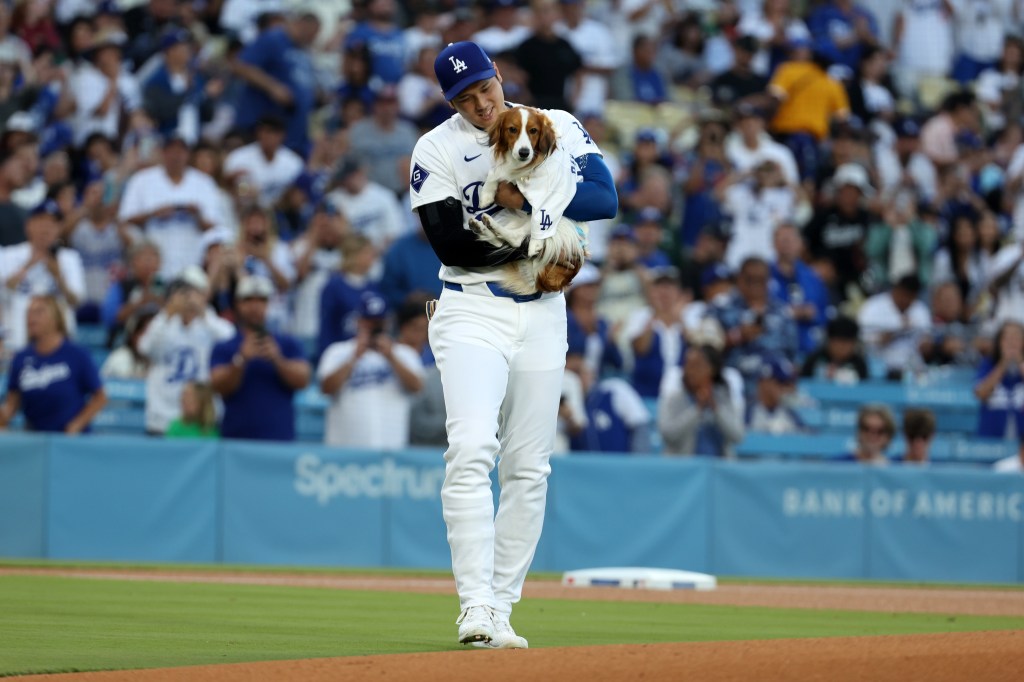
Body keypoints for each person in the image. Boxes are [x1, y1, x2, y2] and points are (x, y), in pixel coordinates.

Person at [408, 41, 617, 649]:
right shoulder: (437, 147)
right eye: (464, 96)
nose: (479, 103)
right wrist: (538, 242)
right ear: (451, 101)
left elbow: (605, 199)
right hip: (471, 306)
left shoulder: (552, 126)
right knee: (472, 447)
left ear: (499, 75)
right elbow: (452, 245)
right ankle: (474, 606)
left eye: (484, 87)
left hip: (544, 315)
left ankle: (502, 609)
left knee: (529, 468)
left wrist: (528, 204)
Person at [317, 293, 425, 449]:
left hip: (391, 450)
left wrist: (391, 357)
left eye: (378, 323)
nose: (373, 327)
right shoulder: (338, 351)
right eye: (369, 322)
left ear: (387, 323)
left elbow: (417, 387)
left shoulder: (403, 353)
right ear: (358, 321)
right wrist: (354, 357)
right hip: (345, 451)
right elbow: (326, 388)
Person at [209, 275, 311, 441]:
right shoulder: (225, 347)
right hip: (235, 441)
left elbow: (303, 380)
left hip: (279, 439)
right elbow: (218, 385)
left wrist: (278, 360)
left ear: (269, 304)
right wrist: (241, 359)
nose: (254, 306)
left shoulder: (287, 343)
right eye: (248, 300)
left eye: (261, 300)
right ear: (237, 304)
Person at [137, 267, 234, 435]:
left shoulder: (212, 324)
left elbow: (231, 342)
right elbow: (145, 348)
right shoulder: (163, 323)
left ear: (204, 294)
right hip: (162, 417)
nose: (188, 298)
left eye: (194, 292)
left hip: (202, 421)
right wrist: (167, 312)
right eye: (183, 292)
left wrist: (202, 312)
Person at [0, 295, 107, 433]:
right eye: (29, 312)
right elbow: (11, 405)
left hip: (70, 443)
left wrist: (76, 425)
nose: (31, 317)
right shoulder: (21, 358)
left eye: (39, 312)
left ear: (56, 318)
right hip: (35, 440)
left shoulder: (77, 355)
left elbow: (100, 397)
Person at [0, 199, 85, 351]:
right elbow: (2, 295)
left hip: (60, 346)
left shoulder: (69, 258)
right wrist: (27, 265)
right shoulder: (9, 255)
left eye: (52, 223)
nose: (46, 228)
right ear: (28, 225)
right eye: (41, 222)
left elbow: (77, 301)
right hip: (17, 344)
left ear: (59, 228)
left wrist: (59, 277)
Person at [657, 344, 745, 458]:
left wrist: (716, 409)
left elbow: (738, 436)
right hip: (685, 470)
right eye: (687, 365)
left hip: (719, 470)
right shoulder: (674, 399)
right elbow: (668, 435)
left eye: (697, 366)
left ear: (712, 369)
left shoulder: (723, 398)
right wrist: (697, 410)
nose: (690, 371)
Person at [973, 320, 1024, 439]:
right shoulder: (988, 364)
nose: (1012, 343)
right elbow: (980, 393)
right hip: (991, 438)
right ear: (999, 342)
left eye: (1016, 338)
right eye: (1007, 339)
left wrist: (1020, 362)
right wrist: (1003, 364)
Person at [800, 315, 870, 383]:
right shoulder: (813, 361)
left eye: (847, 343)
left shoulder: (860, 365)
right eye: (839, 342)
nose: (842, 348)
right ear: (829, 341)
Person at [746, 353, 804, 435]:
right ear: (764, 383)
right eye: (780, 383)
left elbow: (808, 437)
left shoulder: (790, 415)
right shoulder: (746, 413)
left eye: (786, 384)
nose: (785, 389)